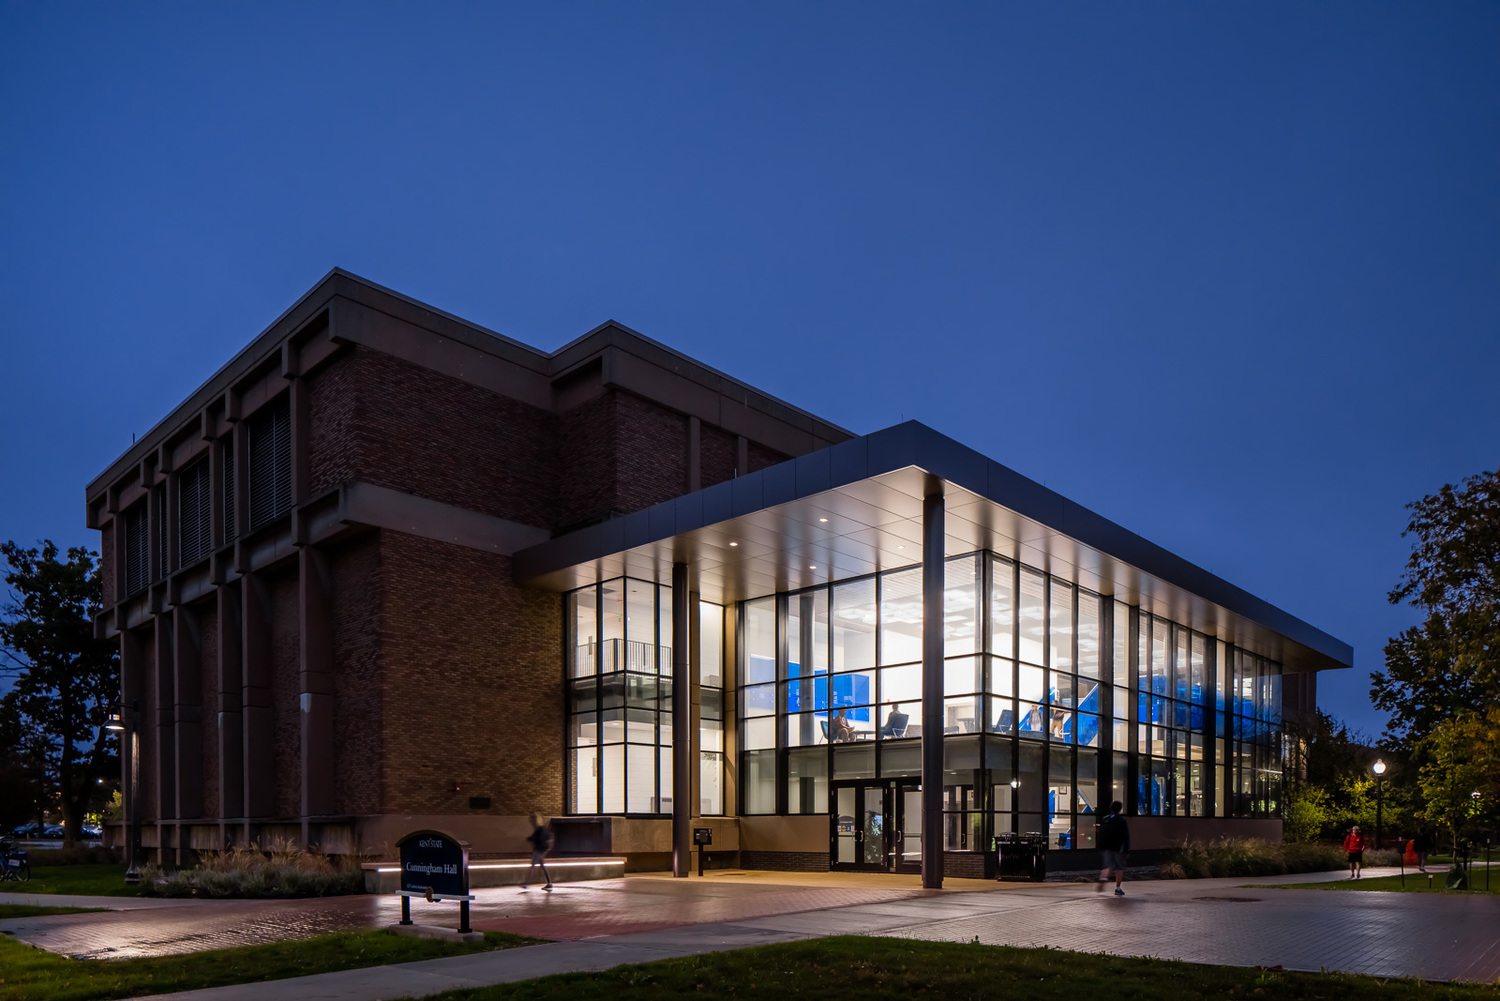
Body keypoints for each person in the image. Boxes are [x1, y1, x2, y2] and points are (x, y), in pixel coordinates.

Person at [1096, 800, 1130, 896]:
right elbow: (1125, 836)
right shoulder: (1122, 821)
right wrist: (1126, 849)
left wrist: (1100, 846)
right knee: (1119, 867)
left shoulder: (1105, 819)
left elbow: (1101, 833)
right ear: (1120, 809)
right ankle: (1118, 888)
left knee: (1108, 866)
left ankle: (1103, 878)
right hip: (1118, 848)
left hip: (1106, 847)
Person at [521, 813, 553, 891]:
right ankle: (549, 883)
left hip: (538, 850)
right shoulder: (542, 829)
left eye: (532, 821)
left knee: (533, 866)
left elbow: (538, 839)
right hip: (541, 850)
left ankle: (526, 883)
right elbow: (548, 838)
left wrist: (531, 840)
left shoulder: (539, 829)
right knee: (542, 866)